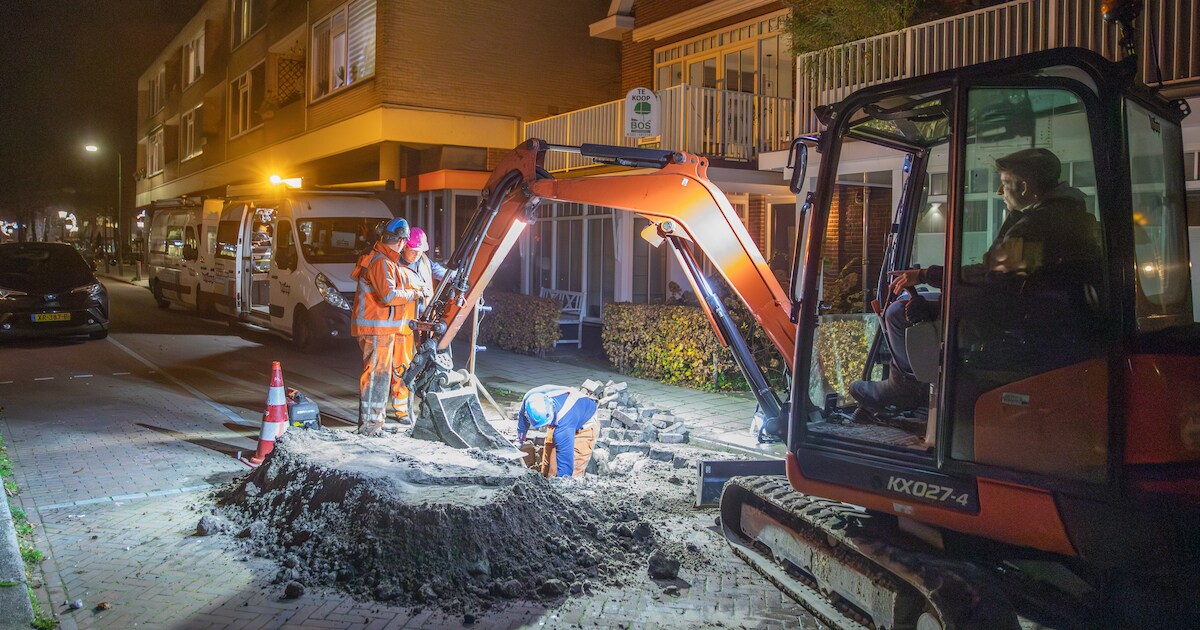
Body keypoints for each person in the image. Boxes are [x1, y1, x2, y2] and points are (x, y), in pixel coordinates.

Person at [851, 147, 1101, 412]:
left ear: (1024, 186)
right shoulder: (1064, 216)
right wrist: (934, 282)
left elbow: (993, 282)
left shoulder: (1034, 227)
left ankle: (906, 387)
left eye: (1005, 184)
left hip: (1016, 320)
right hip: (1035, 315)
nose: (999, 193)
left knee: (898, 312)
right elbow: (997, 276)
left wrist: (929, 279)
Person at [350, 217, 422, 436]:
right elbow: (389, 295)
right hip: (376, 329)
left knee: (378, 377)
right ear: (400, 241)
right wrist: (413, 293)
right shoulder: (381, 262)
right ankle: (371, 428)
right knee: (376, 378)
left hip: (380, 329)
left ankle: (374, 424)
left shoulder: (383, 260)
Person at [517, 384, 600, 478]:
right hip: (564, 417)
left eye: (545, 424)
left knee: (571, 473)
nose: (544, 427)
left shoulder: (564, 427)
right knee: (548, 470)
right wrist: (520, 440)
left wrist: (562, 484)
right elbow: (522, 418)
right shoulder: (530, 398)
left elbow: (565, 467)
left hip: (585, 424)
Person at [398, 227, 447, 317]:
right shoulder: (395, 265)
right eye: (413, 251)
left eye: (420, 251)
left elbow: (441, 273)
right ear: (404, 246)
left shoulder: (424, 260)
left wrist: (456, 276)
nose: (417, 255)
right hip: (405, 321)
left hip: (426, 318)